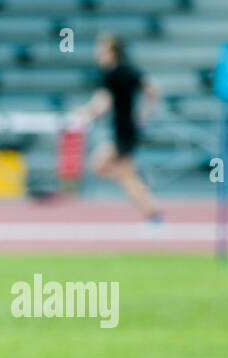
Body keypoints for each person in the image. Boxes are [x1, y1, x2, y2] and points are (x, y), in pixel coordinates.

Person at [75, 34, 163, 221]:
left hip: (123, 133)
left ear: (111, 52)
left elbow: (102, 104)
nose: (98, 55)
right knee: (111, 170)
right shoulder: (129, 71)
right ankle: (143, 191)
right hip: (127, 130)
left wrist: (85, 113)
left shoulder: (111, 75)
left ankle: (153, 213)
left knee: (103, 168)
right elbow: (153, 88)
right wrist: (145, 113)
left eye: (101, 50)